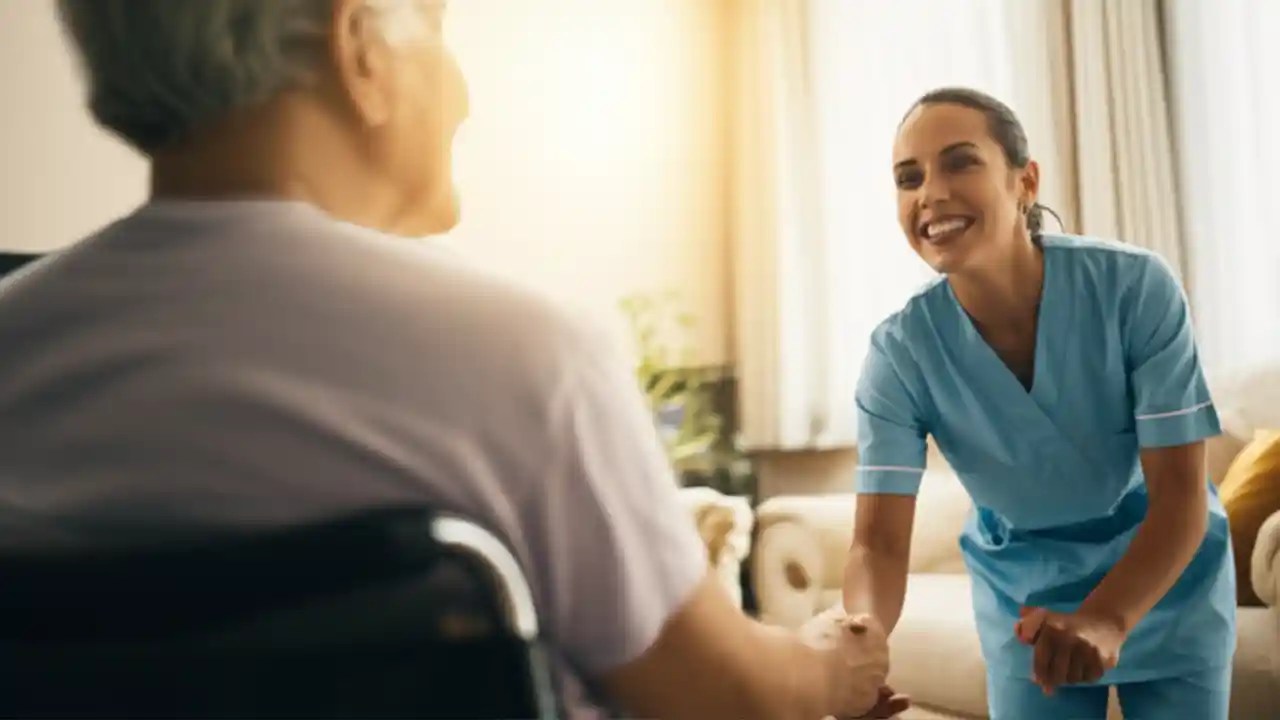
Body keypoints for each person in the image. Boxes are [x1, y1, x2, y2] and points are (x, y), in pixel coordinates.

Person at [0, 2, 910, 719]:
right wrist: (827, 667)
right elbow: (725, 696)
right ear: (361, 48)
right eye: (436, 25)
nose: (464, 95)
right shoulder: (530, 354)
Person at [842, 86, 1236, 719]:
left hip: (1166, 580)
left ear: (1025, 182)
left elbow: (1180, 497)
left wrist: (1107, 618)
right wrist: (856, 650)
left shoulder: (1134, 288)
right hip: (1024, 603)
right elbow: (878, 545)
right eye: (908, 178)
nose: (930, 193)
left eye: (960, 162)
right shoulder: (899, 354)